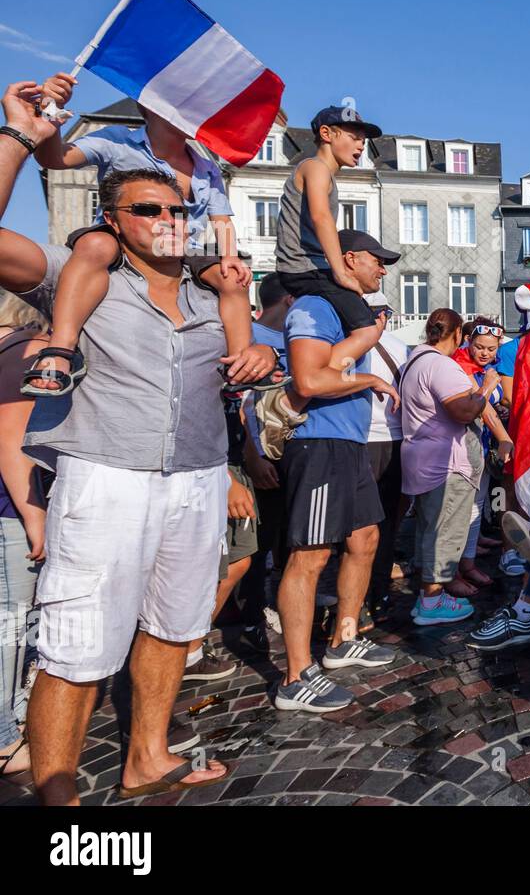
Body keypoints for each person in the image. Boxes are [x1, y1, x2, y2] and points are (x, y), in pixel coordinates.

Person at [0, 79, 276, 802]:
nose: (166, 220)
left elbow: (251, 363)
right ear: (114, 221)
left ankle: (146, 758)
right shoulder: (79, 277)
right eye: (146, 209)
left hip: (195, 480)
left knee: (172, 626)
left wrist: (263, 360)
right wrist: (21, 138)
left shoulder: (213, 295)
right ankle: (59, 800)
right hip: (105, 479)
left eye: (177, 209)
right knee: (75, 645)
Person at [30, 73, 271, 394]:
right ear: (153, 108)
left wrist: (229, 256)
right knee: (96, 244)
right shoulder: (117, 140)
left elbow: (221, 218)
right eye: (186, 106)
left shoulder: (205, 165)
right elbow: (54, 158)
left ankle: (240, 364)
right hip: (121, 239)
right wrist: (50, 110)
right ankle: (62, 348)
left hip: (184, 249)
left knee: (234, 279)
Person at [273, 230, 400, 713]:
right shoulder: (314, 306)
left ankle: (344, 640)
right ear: (347, 259)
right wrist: (370, 376)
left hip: (348, 442)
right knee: (310, 556)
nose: (382, 270)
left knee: (365, 539)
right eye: (377, 260)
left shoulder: (343, 311)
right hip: (319, 442)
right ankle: (296, 676)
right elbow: (308, 380)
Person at [264, 106, 386, 432]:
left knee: (360, 324)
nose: (362, 146)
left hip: (308, 267)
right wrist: (340, 271)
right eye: (355, 137)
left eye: (364, 140)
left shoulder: (325, 174)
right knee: (367, 329)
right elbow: (321, 218)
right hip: (305, 268)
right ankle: (290, 400)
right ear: (327, 134)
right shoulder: (315, 167)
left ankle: (311, 380)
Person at [402, 309, 500, 627]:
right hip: (444, 462)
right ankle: (432, 600)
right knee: (445, 531)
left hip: (422, 455)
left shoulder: (415, 360)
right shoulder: (440, 364)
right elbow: (462, 411)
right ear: (458, 334)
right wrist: (485, 389)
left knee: (431, 528)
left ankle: (427, 596)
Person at [181, 389, 260, 682]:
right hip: (213, 472)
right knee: (214, 568)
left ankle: (191, 647)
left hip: (234, 467)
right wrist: (226, 482)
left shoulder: (234, 376)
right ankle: (184, 650)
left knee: (238, 561)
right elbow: (190, 426)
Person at [0, 293, 47, 779]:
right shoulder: (27, 346)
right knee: (12, 626)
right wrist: (35, 515)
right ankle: (4, 738)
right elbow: (11, 438)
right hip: (10, 510)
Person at [241, 273, 295, 652]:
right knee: (255, 544)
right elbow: (239, 404)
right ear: (290, 301)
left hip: (290, 452)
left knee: (285, 537)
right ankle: (251, 616)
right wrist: (252, 457)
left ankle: (278, 602)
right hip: (258, 456)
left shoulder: (294, 341)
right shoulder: (248, 337)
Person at [360, 290, 410, 630]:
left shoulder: (348, 342)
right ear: (385, 314)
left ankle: (358, 597)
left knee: (357, 525)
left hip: (359, 439)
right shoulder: (399, 347)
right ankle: (376, 594)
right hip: (390, 439)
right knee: (386, 523)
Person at [451, 317, 512, 589]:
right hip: (462, 447)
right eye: (479, 347)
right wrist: (504, 438)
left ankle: (468, 561)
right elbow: (481, 408)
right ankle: (450, 572)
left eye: (491, 348)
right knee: (459, 512)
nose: (485, 353)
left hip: (482, 445)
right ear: (468, 343)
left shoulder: (491, 367)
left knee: (477, 506)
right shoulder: (461, 367)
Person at [494, 284, 530, 577]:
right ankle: (509, 550)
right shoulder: (511, 349)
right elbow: (508, 396)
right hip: (519, 433)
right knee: (511, 493)